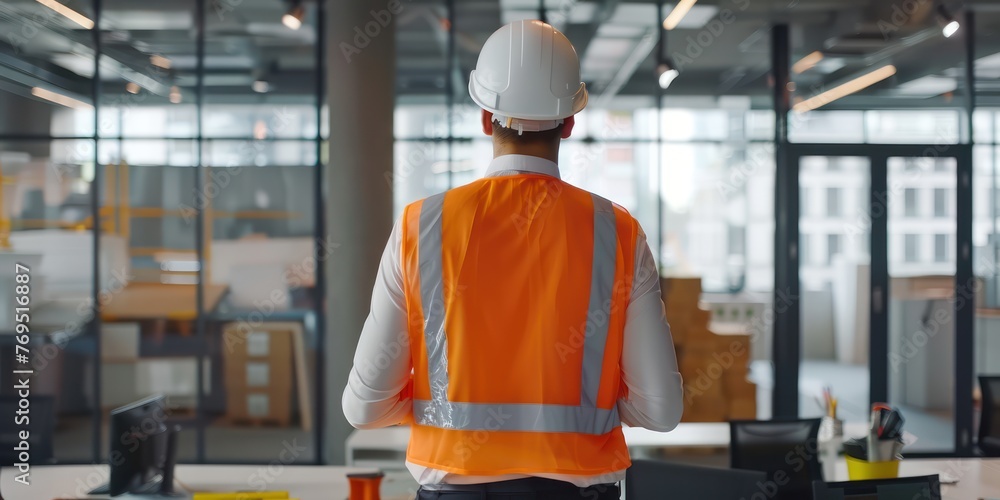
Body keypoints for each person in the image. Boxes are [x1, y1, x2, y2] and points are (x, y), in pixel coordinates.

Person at [343, 20, 683, 500]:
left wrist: (431, 402)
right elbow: (662, 411)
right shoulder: (619, 231)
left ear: (485, 118)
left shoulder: (422, 225)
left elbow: (364, 408)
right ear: (569, 121)